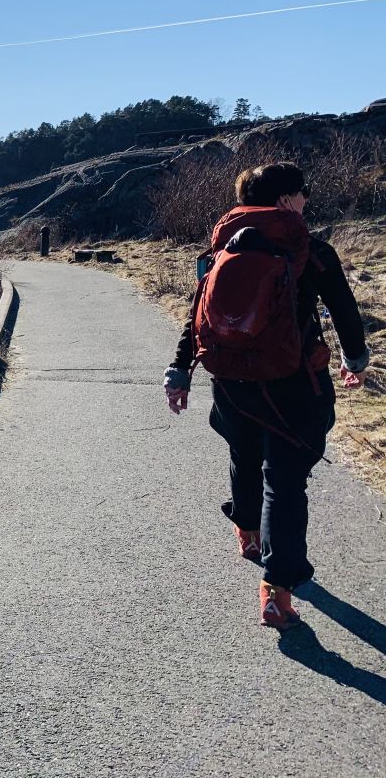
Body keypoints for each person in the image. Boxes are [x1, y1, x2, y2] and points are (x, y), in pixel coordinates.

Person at [163, 161, 369, 629]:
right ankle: (277, 591)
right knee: (285, 479)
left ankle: (248, 533)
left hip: (230, 381)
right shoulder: (311, 250)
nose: (306, 201)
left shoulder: (218, 249)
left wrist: (179, 372)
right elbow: (343, 311)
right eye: (301, 193)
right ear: (284, 200)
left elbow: (197, 314)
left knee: (243, 452)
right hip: (293, 383)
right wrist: (354, 361)